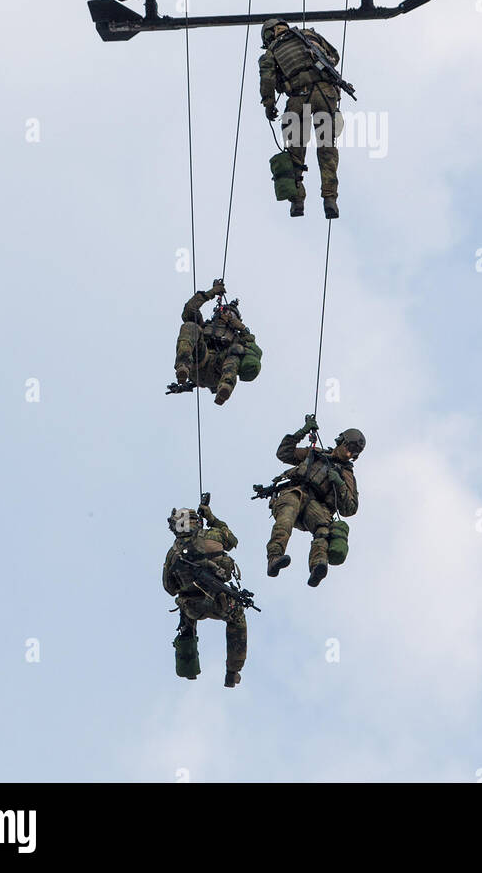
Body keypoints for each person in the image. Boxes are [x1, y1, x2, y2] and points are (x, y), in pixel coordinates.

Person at [259, 18, 354, 220]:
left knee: (295, 150)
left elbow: (267, 80)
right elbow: (334, 57)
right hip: (326, 94)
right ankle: (330, 198)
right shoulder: (310, 36)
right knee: (327, 148)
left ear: (269, 35)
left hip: (298, 99)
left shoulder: (271, 51)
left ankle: (297, 201)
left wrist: (269, 105)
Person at [260, 415, 364, 587]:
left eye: (354, 453)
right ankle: (274, 557)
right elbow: (283, 453)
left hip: (315, 506)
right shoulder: (315, 454)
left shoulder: (347, 475)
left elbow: (350, 509)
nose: (349, 453)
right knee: (286, 517)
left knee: (323, 530)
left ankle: (318, 566)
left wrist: (339, 483)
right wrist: (303, 431)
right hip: (296, 492)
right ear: (341, 441)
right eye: (349, 447)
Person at [162, 498, 250, 688]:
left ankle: (188, 669)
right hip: (221, 605)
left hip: (193, 609)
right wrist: (211, 517)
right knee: (237, 618)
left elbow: (169, 588)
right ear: (197, 521)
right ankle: (232, 672)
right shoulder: (215, 535)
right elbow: (233, 540)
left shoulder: (172, 552)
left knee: (184, 618)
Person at [170, 279, 261, 404]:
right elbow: (190, 310)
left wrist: (242, 329)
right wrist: (211, 293)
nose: (227, 315)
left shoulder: (237, 337)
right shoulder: (204, 326)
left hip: (217, 370)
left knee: (237, 349)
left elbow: (252, 348)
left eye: (232, 315)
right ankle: (183, 366)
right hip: (199, 360)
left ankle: (225, 387)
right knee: (190, 326)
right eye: (224, 311)